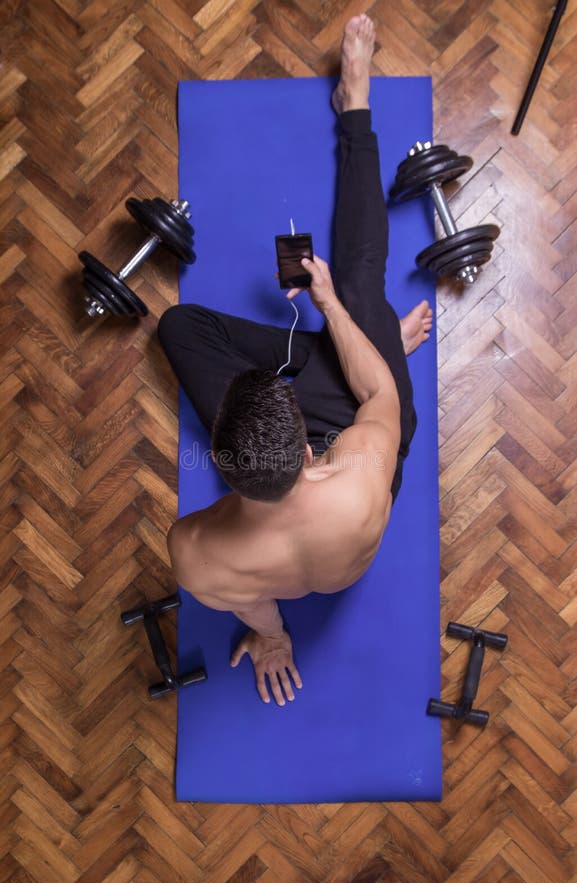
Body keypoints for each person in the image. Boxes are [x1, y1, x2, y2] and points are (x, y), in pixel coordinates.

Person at [158, 14, 433, 708]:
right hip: (361, 414)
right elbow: (380, 406)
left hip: (299, 451)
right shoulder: (361, 473)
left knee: (179, 323)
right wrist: (333, 304)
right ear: (310, 452)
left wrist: (274, 638)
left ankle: (355, 105)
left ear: (221, 455)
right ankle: (362, 337)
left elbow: (248, 604)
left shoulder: (197, 552)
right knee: (359, 285)